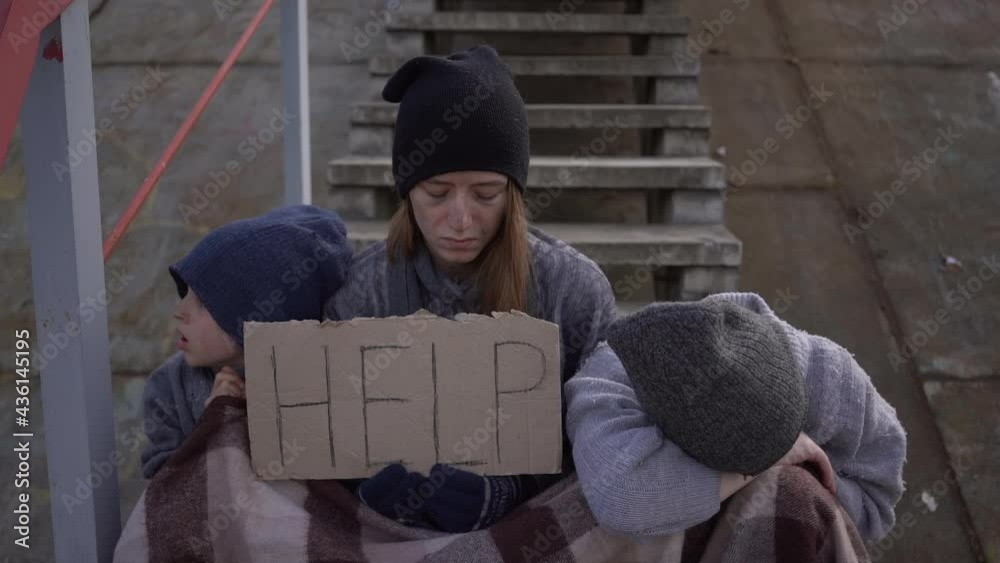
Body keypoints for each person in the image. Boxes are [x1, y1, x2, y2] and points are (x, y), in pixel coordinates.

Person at [323, 45, 619, 533]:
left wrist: (513, 491)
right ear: (406, 190)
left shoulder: (574, 290)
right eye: (436, 193)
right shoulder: (361, 290)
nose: (461, 220)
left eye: (485, 194)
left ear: (514, 194)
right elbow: (328, 434)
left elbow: (608, 440)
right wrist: (361, 487)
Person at [565, 292, 907, 541]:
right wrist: (767, 464)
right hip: (667, 523)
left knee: (793, 495)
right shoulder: (607, 386)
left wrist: (804, 488)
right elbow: (619, 499)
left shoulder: (827, 372)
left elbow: (877, 498)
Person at [140, 205, 352, 479]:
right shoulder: (169, 387)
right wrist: (212, 426)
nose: (179, 311)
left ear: (257, 319)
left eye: (202, 303)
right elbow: (161, 495)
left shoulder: (321, 383)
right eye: (185, 294)